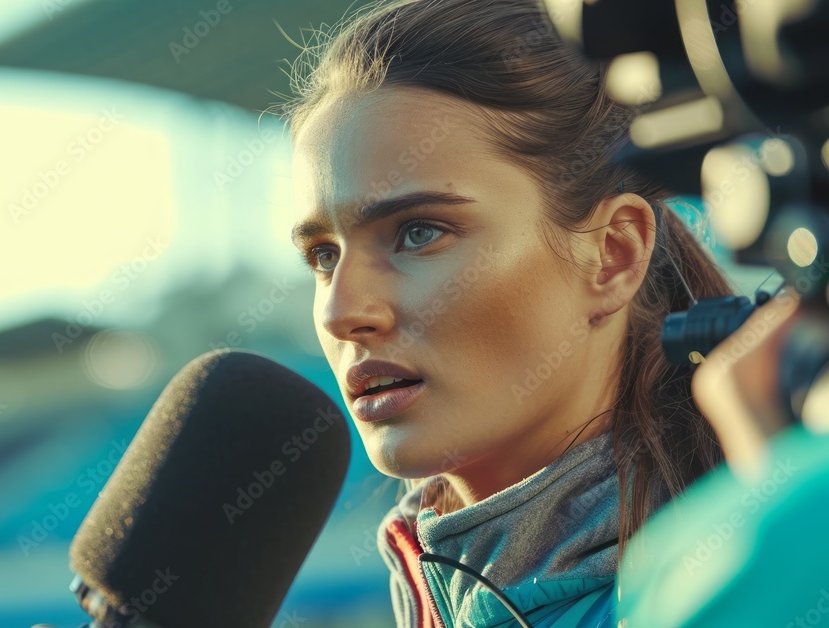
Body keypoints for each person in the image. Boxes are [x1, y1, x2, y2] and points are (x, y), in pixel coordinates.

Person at [278, 0, 735, 625]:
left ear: (613, 254)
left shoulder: (746, 589)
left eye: (418, 232)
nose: (340, 312)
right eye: (324, 255)